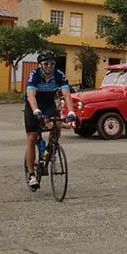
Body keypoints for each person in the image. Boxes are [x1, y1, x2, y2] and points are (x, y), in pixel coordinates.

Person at [24, 51, 76, 190]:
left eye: (51, 64)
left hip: (48, 105)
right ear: (41, 65)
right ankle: (31, 175)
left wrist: (71, 111)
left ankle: (49, 150)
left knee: (57, 124)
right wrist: (36, 111)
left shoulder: (59, 75)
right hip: (33, 105)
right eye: (46, 64)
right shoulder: (34, 75)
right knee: (32, 136)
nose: (49, 66)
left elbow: (66, 94)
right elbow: (31, 95)